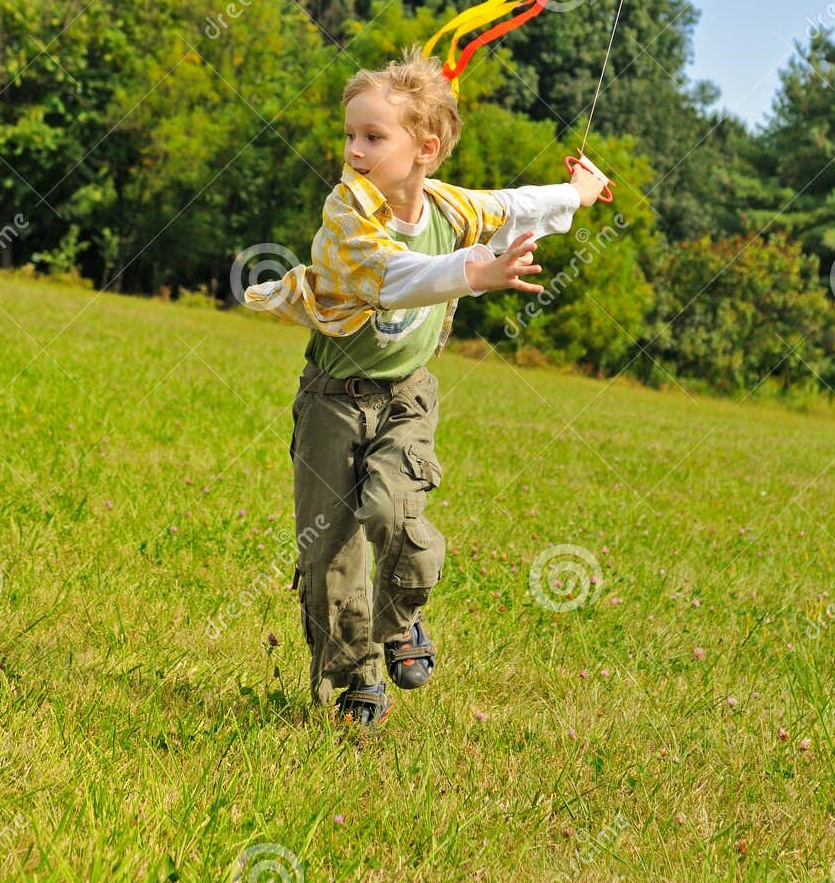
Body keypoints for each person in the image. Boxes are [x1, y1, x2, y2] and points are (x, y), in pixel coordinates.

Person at [243, 44, 609, 727]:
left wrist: (578, 193)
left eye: (372, 136)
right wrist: (472, 274)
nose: (353, 149)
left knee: (393, 516)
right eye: (349, 134)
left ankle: (401, 622)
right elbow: (390, 278)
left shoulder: (448, 208)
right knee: (328, 555)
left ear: (425, 149)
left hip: (404, 397)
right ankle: (354, 679)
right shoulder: (346, 217)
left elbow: (513, 206)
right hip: (331, 400)